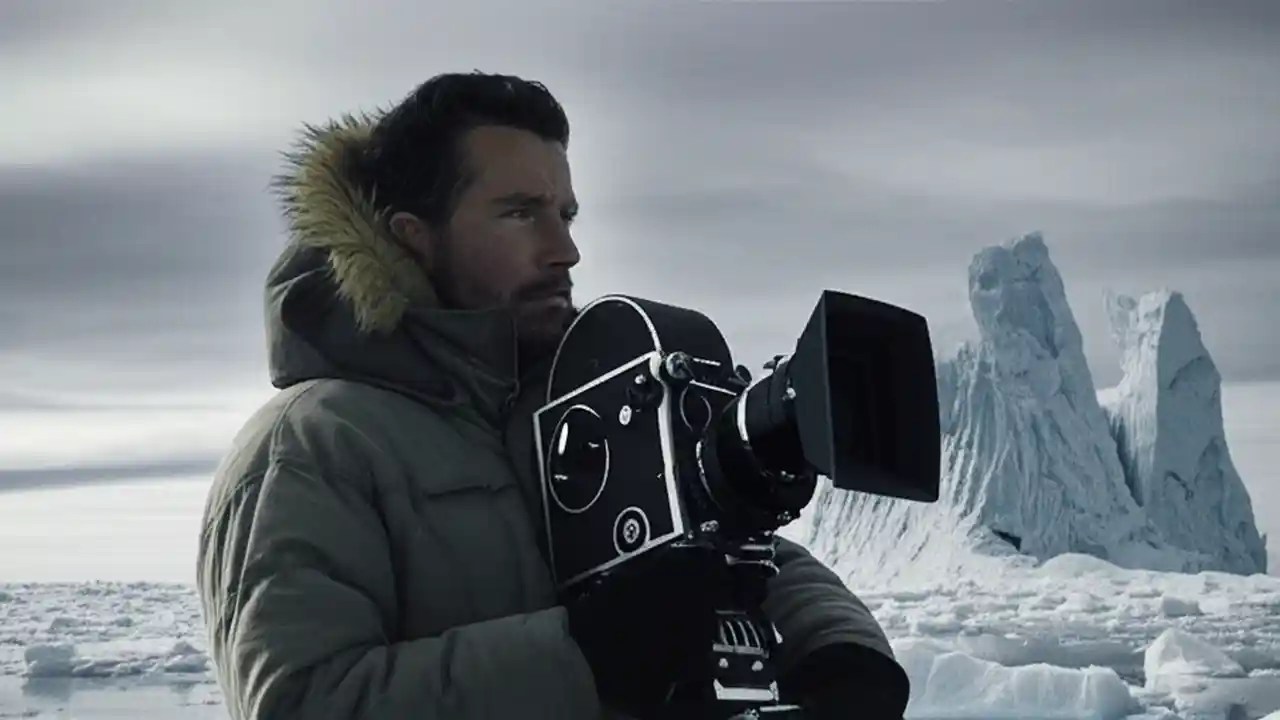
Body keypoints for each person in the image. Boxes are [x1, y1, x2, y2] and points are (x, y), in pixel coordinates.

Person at [196, 71, 909, 720]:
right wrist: (584, 657)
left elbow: (735, 551)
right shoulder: (310, 445)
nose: (564, 249)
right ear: (413, 239)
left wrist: (839, 649)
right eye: (519, 213)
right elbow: (300, 702)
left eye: (566, 215)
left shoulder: (576, 407)